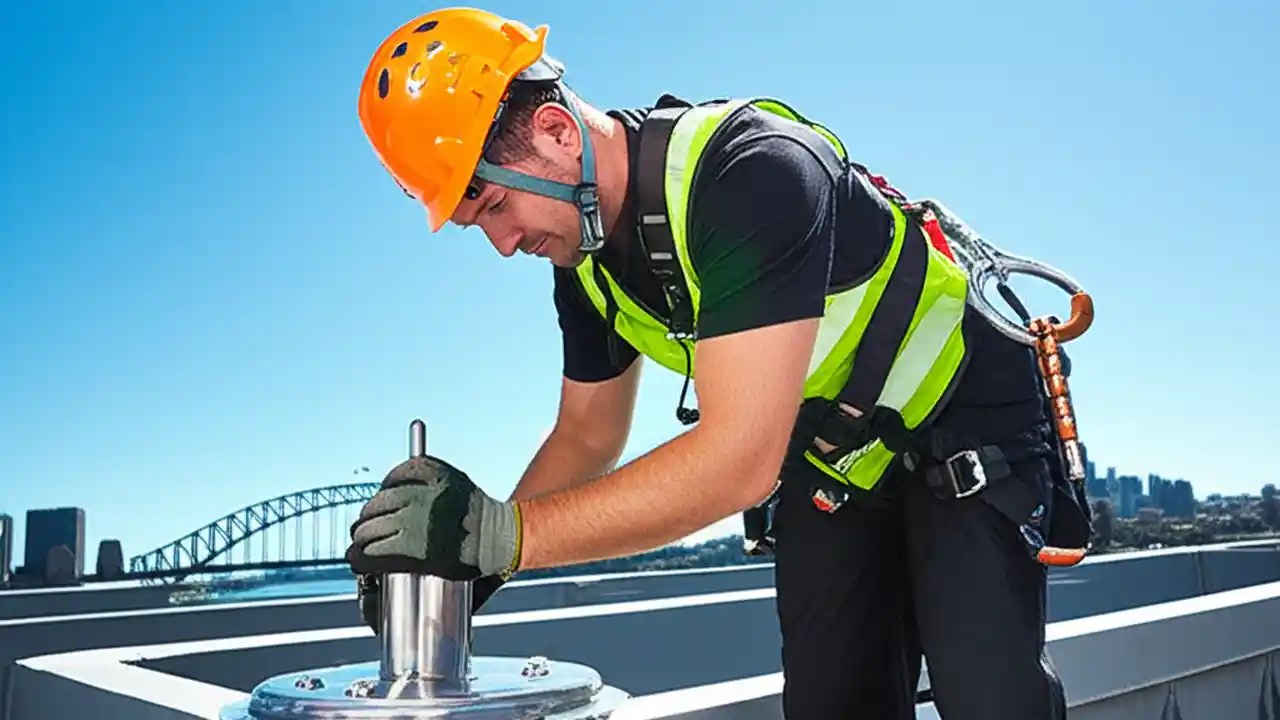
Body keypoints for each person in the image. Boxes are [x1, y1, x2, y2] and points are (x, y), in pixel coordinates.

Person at [345, 7, 1091, 719]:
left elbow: (737, 462)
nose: (503, 244)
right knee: (833, 703)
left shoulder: (752, 172)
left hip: (965, 415)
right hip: (832, 459)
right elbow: (585, 438)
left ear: (554, 132)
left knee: (990, 692)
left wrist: (500, 534)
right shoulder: (587, 266)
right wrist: (472, 567)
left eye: (497, 206)